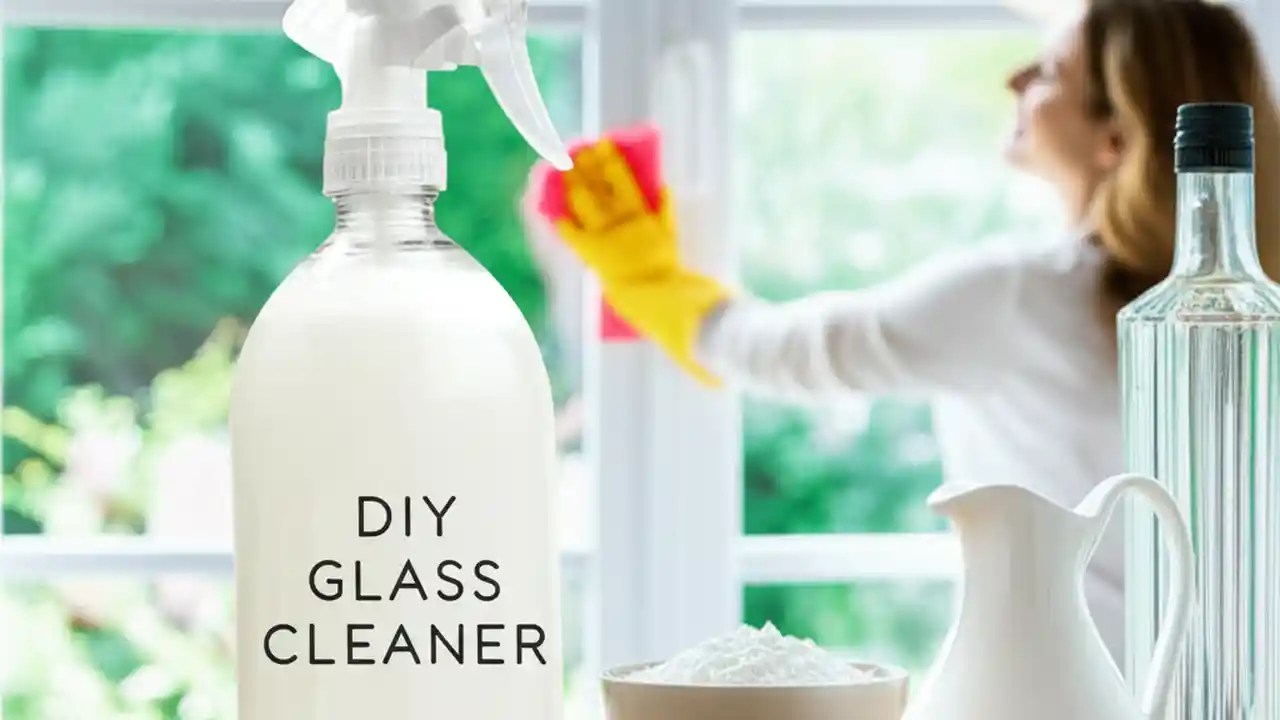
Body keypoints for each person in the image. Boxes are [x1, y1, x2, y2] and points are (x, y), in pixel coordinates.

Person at [527, 0, 1280, 663]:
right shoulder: (1245, 322)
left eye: (1050, 73)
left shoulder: (1019, 297)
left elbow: (785, 352)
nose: (1014, 81)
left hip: (1052, 690)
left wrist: (643, 269)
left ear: (1114, 138)